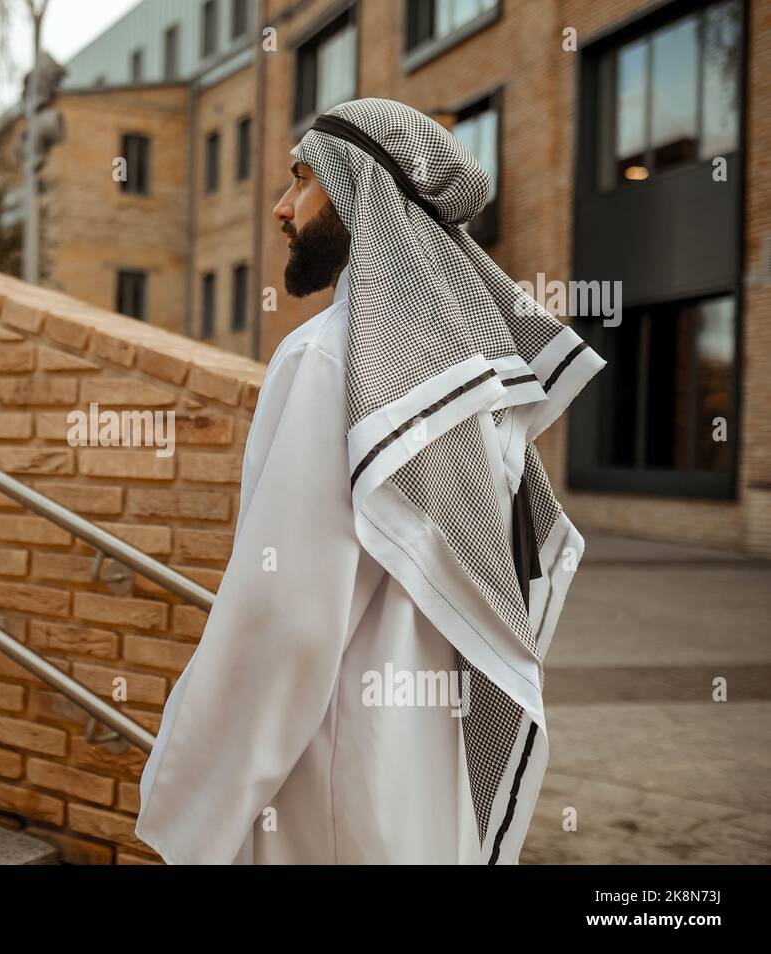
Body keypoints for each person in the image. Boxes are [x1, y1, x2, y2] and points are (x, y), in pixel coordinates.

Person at [133, 98, 605, 865]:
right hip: (431, 762)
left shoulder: (327, 359)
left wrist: (194, 796)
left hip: (332, 775)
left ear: (362, 191)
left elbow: (285, 615)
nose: (282, 208)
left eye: (303, 179)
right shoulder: (470, 372)